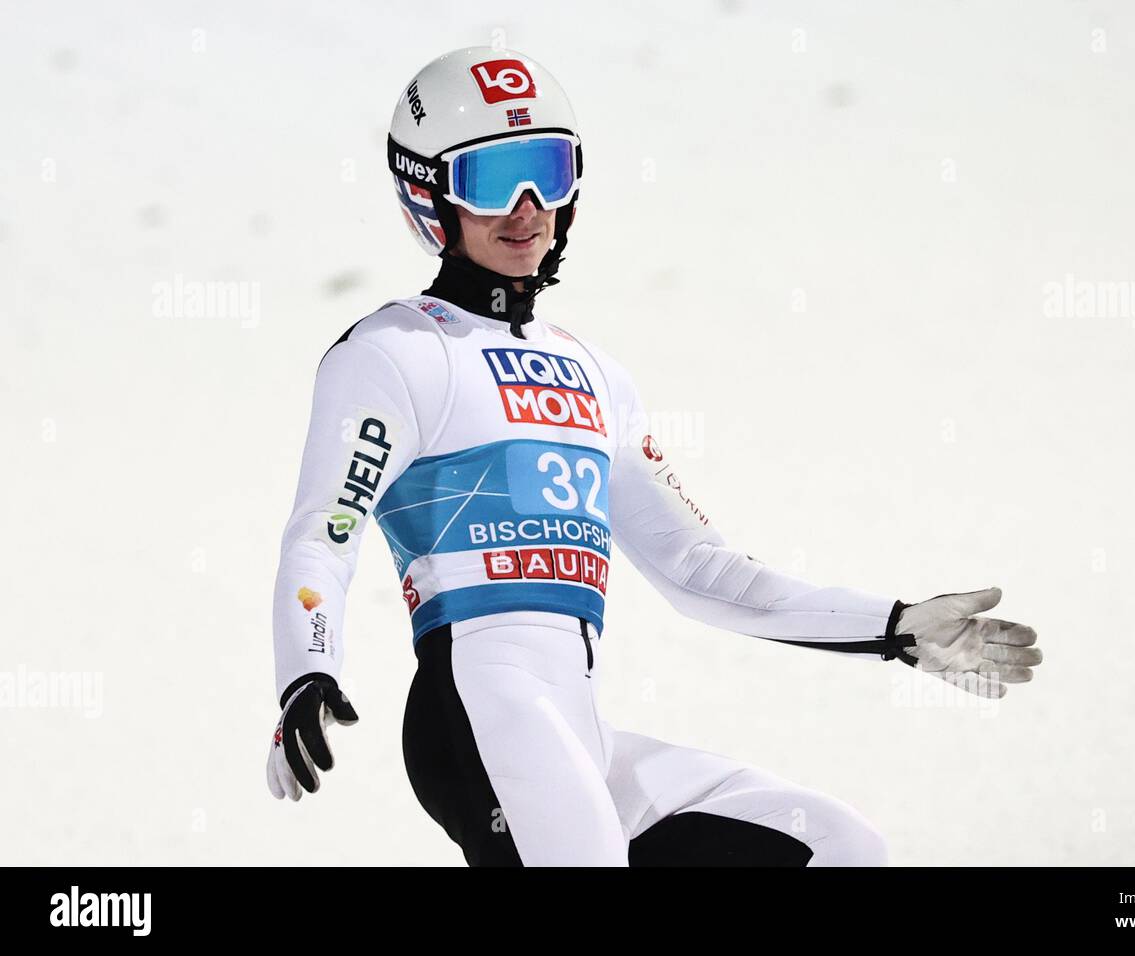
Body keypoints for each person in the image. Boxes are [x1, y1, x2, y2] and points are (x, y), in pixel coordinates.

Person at [265, 47, 1042, 866]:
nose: (529, 207)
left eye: (548, 170)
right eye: (492, 180)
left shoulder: (597, 376)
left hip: (578, 729)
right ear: (428, 195)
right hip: (477, 710)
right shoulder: (393, 352)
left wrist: (892, 627)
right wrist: (304, 672)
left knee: (840, 847)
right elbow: (323, 531)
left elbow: (703, 570)